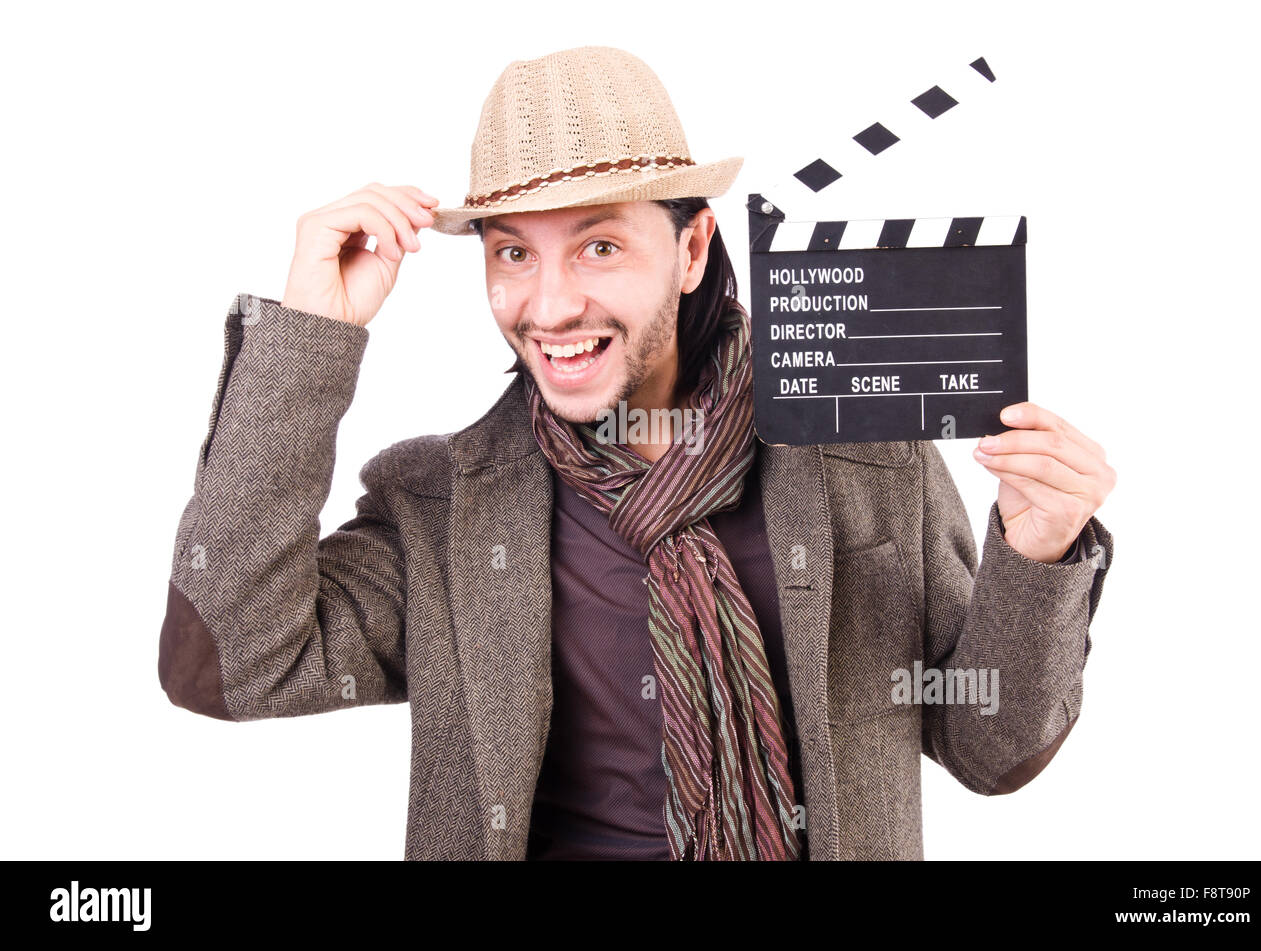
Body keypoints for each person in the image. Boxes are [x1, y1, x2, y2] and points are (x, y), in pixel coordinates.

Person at [157, 45, 1116, 861]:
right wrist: (308, 340)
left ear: (692, 251)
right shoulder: (441, 505)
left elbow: (989, 748)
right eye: (513, 253)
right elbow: (231, 664)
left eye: (599, 247)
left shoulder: (865, 459)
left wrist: (1036, 553)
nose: (550, 306)